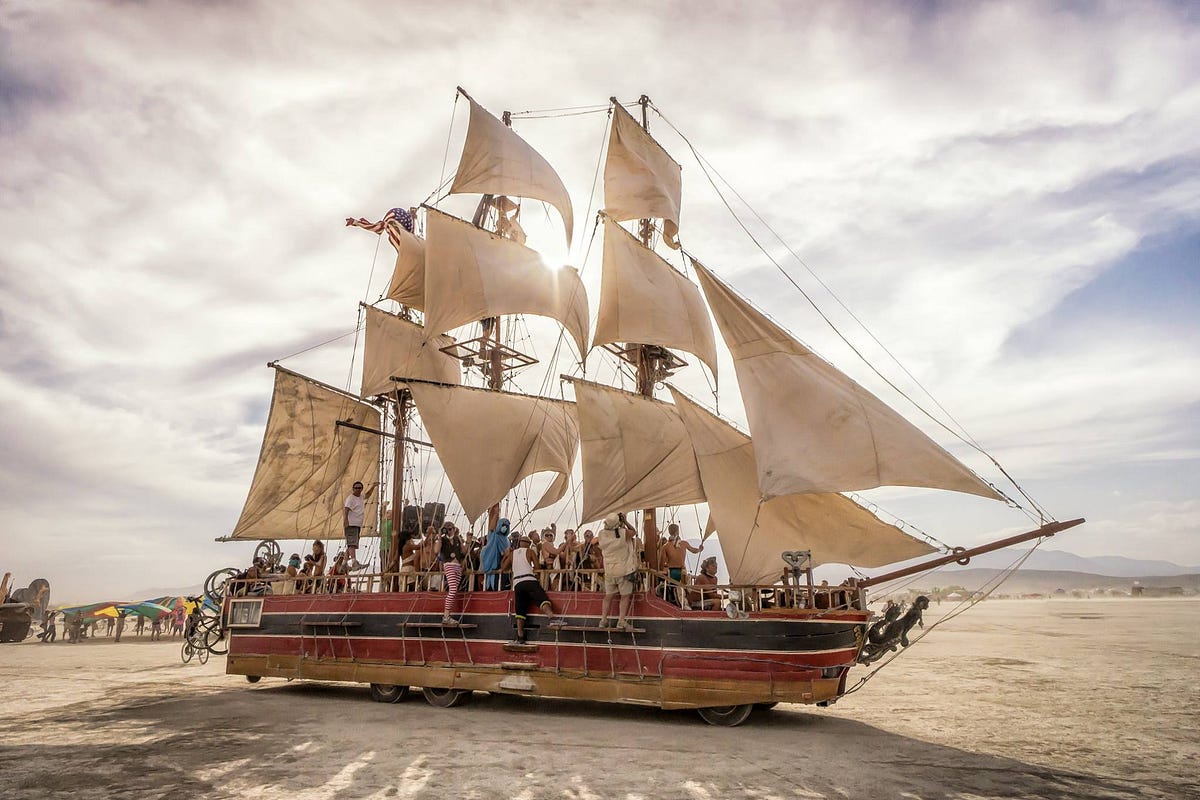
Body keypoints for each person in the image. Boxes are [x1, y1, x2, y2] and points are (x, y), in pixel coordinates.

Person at [501, 533, 564, 644]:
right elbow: (537, 566)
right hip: (529, 580)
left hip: (518, 583)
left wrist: (506, 556)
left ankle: (520, 636)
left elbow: (503, 568)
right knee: (542, 599)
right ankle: (552, 617)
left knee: (520, 609)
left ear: (519, 543)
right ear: (528, 544)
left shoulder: (512, 554)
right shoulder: (530, 552)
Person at [597, 512, 639, 631]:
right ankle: (621, 621)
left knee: (608, 596)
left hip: (609, 571)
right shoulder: (623, 533)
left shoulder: (601, 534)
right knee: (625, 596)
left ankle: (603, 620)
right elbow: (634, 531)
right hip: (623, 571)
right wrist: (625, 521)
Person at [658, 524, 703, 609]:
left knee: (673, 590)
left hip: (672, 572)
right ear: (677, 531)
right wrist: (699, 549)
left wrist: (663, 568)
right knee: (684, 590)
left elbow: (661, 563)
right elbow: (694, 550)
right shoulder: (684, 544)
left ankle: (673, 604)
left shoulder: (666, 546)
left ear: (669, 532)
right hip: (683, 571)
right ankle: (687, 605)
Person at [342, 480, 377, 571]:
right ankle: (354, 563)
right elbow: (346, 510)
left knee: (352, 544)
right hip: (351, 524)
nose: (358, 489)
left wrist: (373, 487)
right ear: (353, 489)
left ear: (361, 489)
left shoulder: (361, 497)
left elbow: (367, 495)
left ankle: (344, 564)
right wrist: (345, 520)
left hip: (357, 525)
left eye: (359, 488)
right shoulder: (350, 498)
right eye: (356, 488)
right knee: (352, 544)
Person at [438, 529, 465, 624]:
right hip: (449, 565)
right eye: (447, 529)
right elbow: (436, 550)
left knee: (454, 590)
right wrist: (439, 537)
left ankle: (448, 615)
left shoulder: (457, 540)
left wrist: (462, 541)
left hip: (458, 566)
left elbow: (464, 552)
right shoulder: (443, 540)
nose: (449, 531)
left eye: (451, 529)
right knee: (453, 590)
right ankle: (446, 616)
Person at [480, 518, 511, 591]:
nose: (505, 527)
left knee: (499, 586)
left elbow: (506, 552)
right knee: (491, 586)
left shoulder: (507, 540)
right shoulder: (494, 535)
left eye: (507, 526)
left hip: (502, 565)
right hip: (492, 563)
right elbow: (491, 528)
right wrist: (495, 515)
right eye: (503, 525)